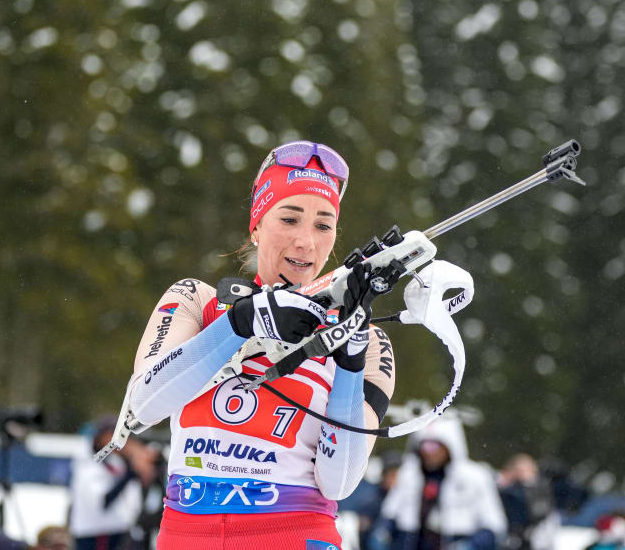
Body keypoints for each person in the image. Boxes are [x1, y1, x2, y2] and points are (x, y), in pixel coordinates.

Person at [122, 140, 397, 548]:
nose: (306, 241)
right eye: (289, 219)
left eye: (323, 225)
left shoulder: (369, 340)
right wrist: (240, 323)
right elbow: (144, 405)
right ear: (256, 225)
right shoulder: (198, 301)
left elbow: (339, 481)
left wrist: (351, 360)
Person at [374, 413, 507, 549]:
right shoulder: (409, 475)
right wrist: (381, 532)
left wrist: (472, 545)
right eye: (424, 445)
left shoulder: (475, 477)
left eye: (434, 446)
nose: (428, 452)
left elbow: (494, 525)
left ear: (450, 446)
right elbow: (390, 512)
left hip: (456, 539)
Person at [69, 415, 157, 549]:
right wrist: (130, 474)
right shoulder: (87, 466)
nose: (123, 440)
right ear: (103, 436)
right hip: (95, 534)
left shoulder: (112, 462)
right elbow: (103, 502)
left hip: (112, 531)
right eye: (117, 434)